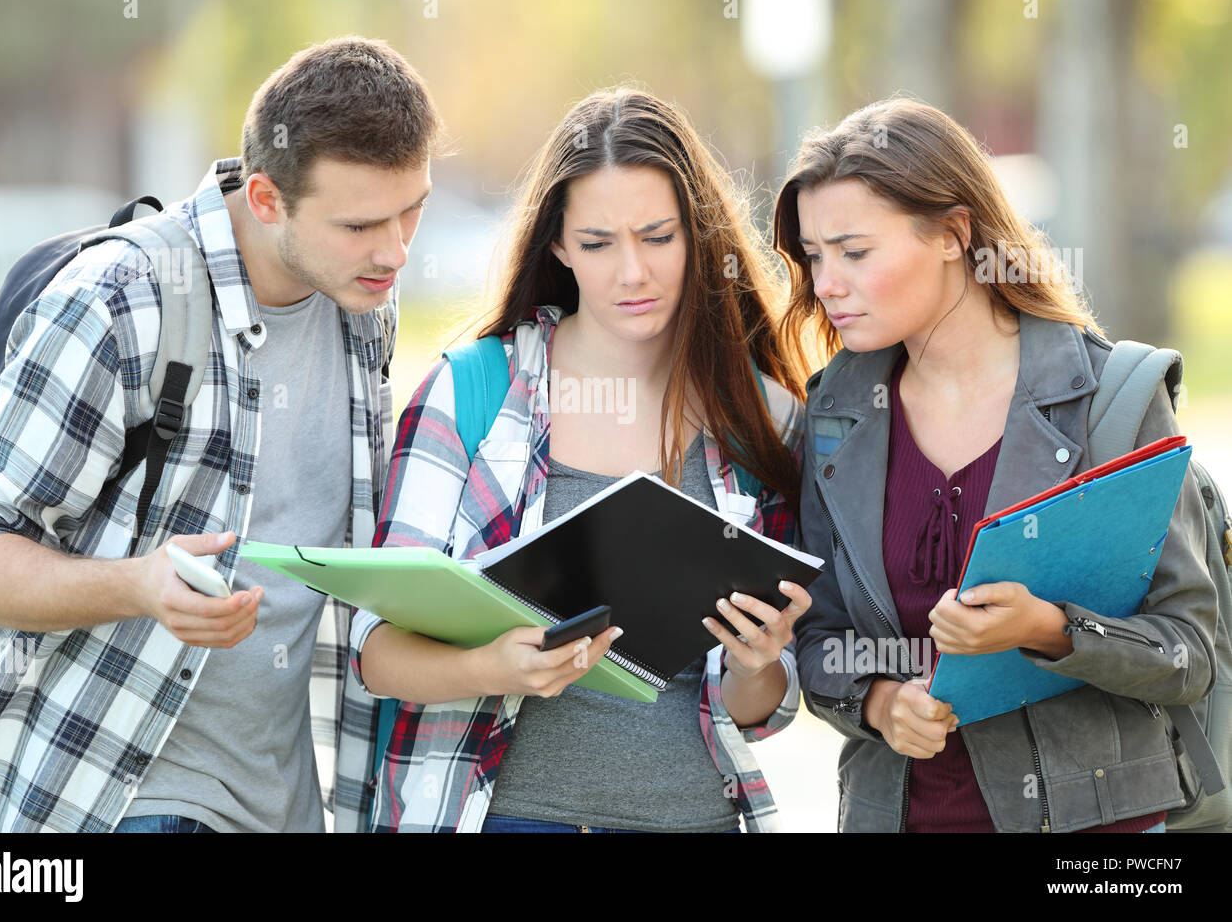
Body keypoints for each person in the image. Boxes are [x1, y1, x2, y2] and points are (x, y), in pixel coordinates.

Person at [0, 37, 441, 832]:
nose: (396, 250)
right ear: (268, 199)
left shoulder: (362, 297)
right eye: (361, 223)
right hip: (123, 796)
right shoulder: (121, 301)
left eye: (414, 209)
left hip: (293, 803)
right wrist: (138, 586)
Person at [347, 87, 810, 833]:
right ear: (557, 245)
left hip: (693, 818)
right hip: (506, 818)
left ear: (698, 235)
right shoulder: (469, 395)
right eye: (598, 243)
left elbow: (759, 714)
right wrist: (492, 668)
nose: (633, 273)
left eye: (658, 237)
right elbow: (372, 650)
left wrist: (758, 664)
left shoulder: (761, 421)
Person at [777, 97, 1218, 832]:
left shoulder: (1112, 398)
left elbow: (1187, 653)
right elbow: (816, 638)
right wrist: (881, 703)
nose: (825, 284)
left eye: (854, 253)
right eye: (815, 256)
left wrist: (1048, 627)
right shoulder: (832, 415)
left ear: (954, 235)